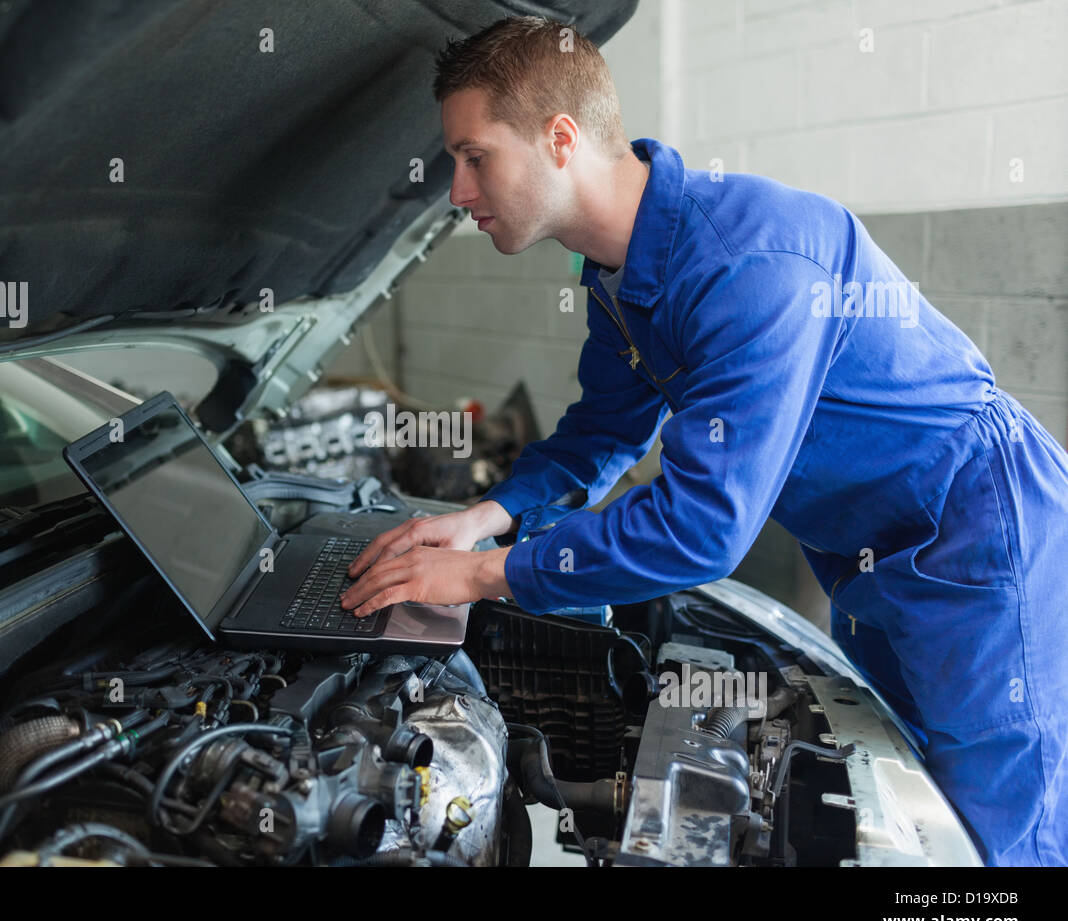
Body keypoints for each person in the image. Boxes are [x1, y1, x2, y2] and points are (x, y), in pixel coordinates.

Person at [338, 15, 1068, 866]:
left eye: (475, 157)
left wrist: (486, 576)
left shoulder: (747, 265)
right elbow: (600, 434)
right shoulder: (619, 278)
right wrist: (486, 519)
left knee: (999, 846)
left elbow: (703, 528)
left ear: (561, 140)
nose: (457, 193)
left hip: (981, 541)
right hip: (872, 560)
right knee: (915, 822)